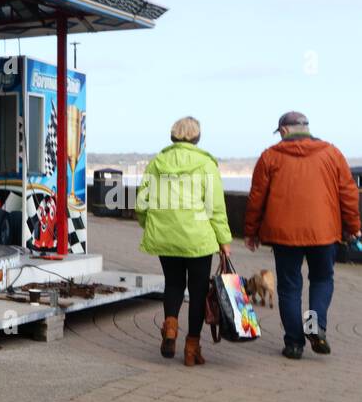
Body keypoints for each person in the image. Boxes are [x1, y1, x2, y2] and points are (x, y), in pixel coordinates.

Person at [245, 112, 361, 359]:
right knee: (321, 280)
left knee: (289, 287)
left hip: (284, 235)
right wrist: (353, 225)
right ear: (306, 128)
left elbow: (256, 197)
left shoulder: (270, 157)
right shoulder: (332, 153)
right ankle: (315, 327)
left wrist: (251, 231)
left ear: (284, 131)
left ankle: (294, 344)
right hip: (324, 233)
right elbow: (349, 193)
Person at [136, 116, 231, 366]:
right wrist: (224, 240)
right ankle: (192, 348)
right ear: (197, 137)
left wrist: (150, 224)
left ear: (173, 136)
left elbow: (141, 202)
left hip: (166, 236)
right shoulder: (206, 164)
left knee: (174, 284)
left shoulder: (157, 163)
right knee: (198, 291)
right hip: (198, 239)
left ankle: (170, 328)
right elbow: (215, 208)